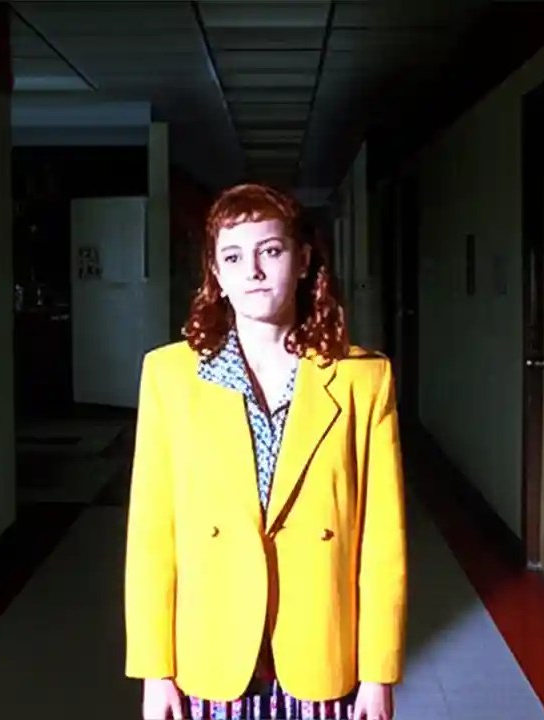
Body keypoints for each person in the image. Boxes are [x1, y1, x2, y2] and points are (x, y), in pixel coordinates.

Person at [124, 183, 407, 720]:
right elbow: (150, 539)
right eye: (233, 256)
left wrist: (378, 672)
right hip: (210, 650)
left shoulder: (361, 378)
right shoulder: (170, 376)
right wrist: (154, 671)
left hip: (321, 649)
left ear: (302, 260)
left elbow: (382, 542)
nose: (252, 270)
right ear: (217, 274)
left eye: (270, 251)